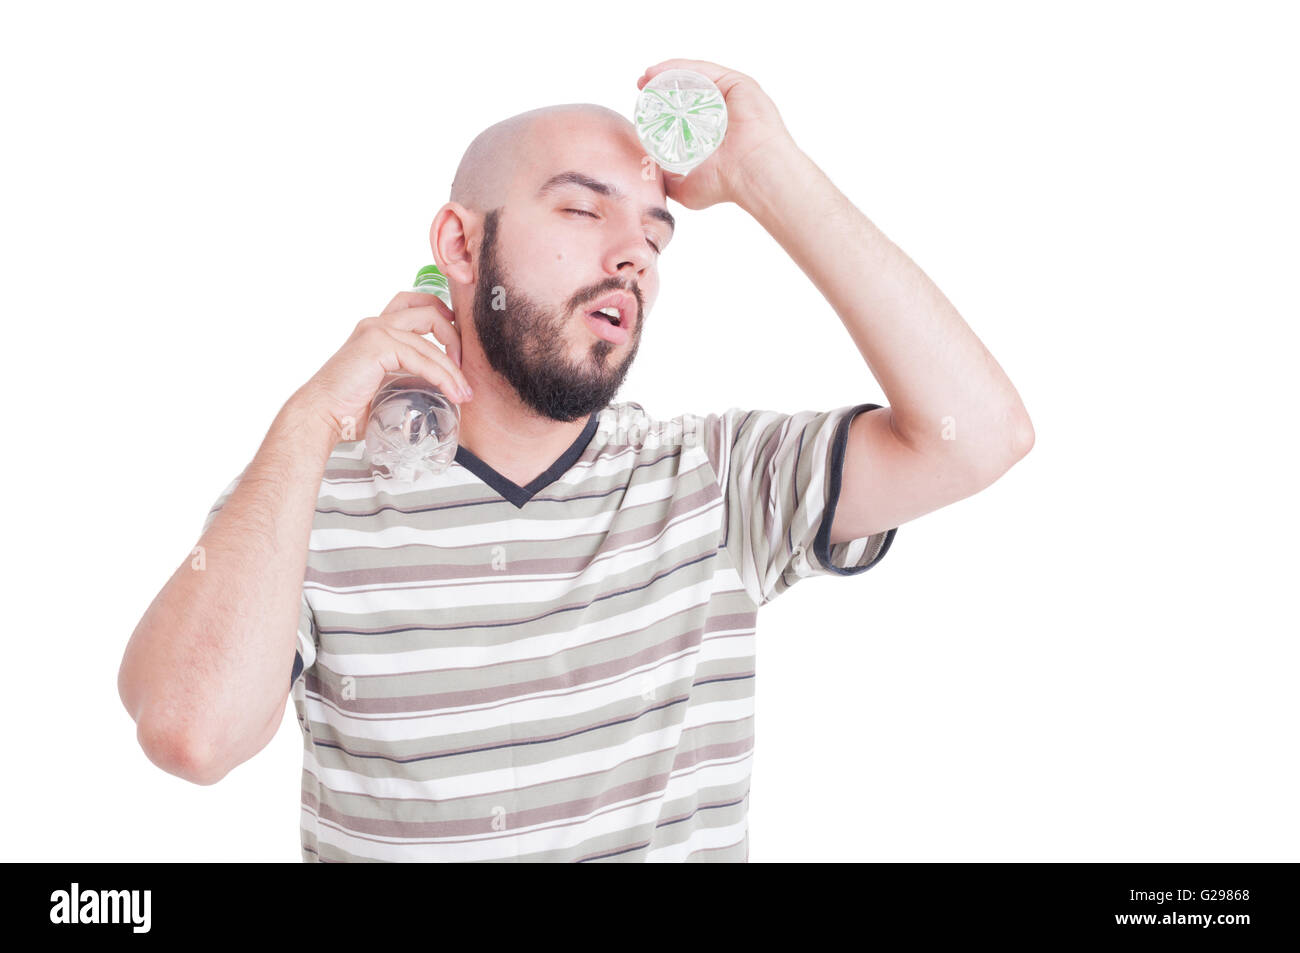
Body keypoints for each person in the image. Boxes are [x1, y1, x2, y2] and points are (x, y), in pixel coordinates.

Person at [118, 58, 1034, 862]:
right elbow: (189, 732)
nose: (632, 254)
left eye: (654, 236)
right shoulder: (308, 497)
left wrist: (767, 170)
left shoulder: (711, 482)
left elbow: (979, 434)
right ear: (459, 245)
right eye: (581, 207)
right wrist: (311, 415)